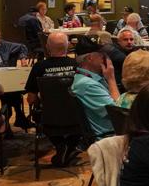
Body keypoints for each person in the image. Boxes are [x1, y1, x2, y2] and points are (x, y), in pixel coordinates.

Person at [24, 32, 80, 165]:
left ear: (48, 47)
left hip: (49, 116)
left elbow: (31, 99)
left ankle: (60, 144)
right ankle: (71, 145)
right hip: (76, 115)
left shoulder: (39, 67)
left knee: (39, 114)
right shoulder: (78, 65)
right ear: (68, 47)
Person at [71, 40, 119, 139]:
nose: (106, 60)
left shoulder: (89, 78)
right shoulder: (87, 85)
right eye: (102, 57)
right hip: (110, 137)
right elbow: (118, 112)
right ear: (90, 58)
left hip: (115, 132)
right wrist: (111, 79)